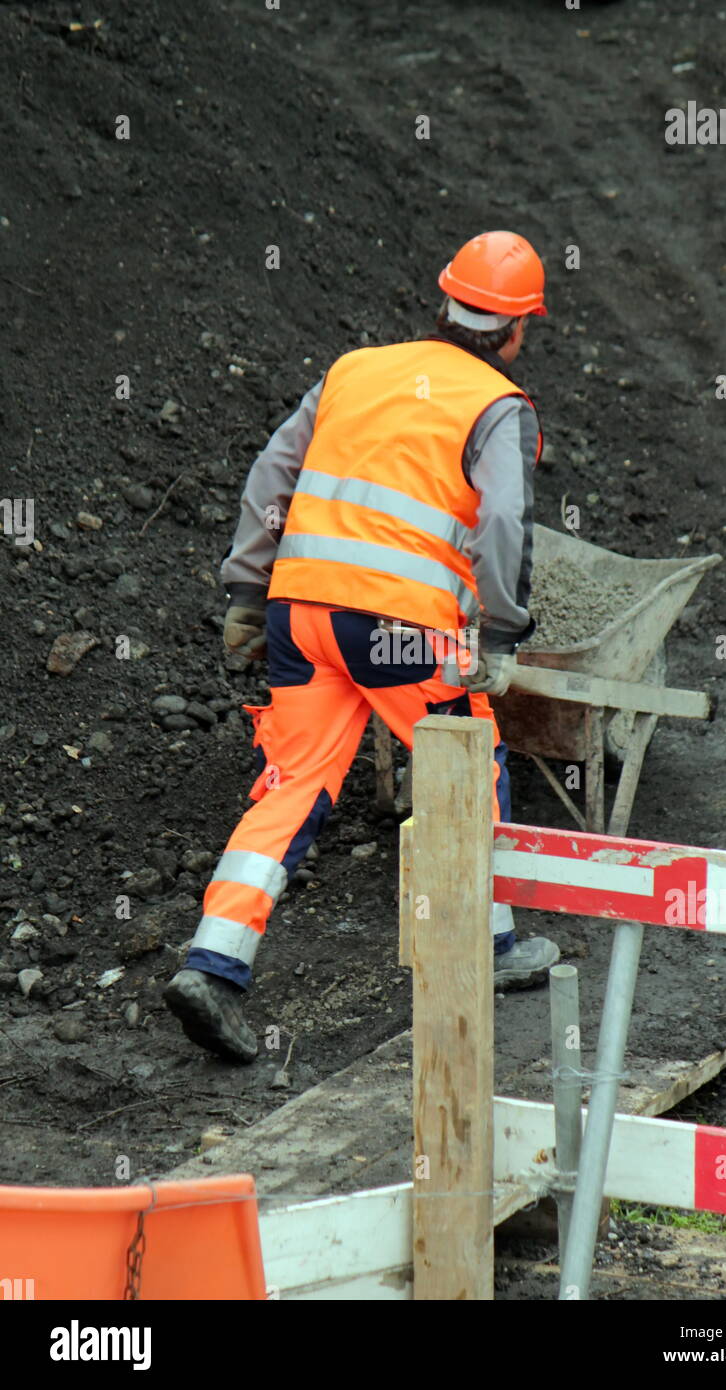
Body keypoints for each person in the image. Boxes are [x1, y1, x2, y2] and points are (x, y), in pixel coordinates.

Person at [164, 230, 560, 1063]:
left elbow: (272, 472)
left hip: (299, 615)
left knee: (292, 783)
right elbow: (500, 524)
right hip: (399, 630)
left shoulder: (353, 370)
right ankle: (490, 948)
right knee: (467, 756)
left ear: (440, 300)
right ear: (519, 329)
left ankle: (215, 963)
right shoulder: (500, 408)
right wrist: (497, 629)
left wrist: (245, 590)